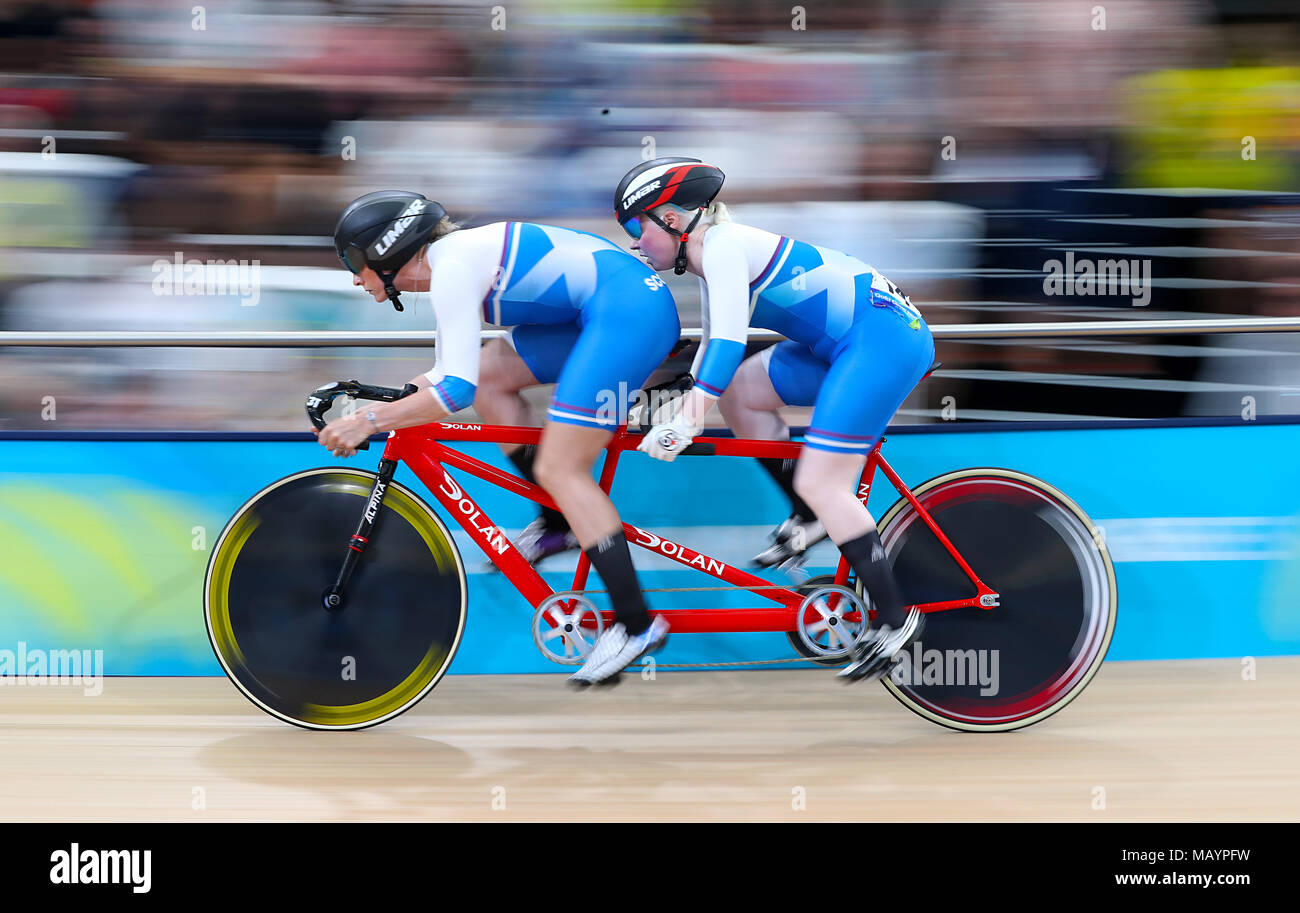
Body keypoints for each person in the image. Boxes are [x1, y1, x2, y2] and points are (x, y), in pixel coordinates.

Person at [317, 190, 678, 687]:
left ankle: (637, 624)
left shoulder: (452, 270)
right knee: (492, 377)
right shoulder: (452, 263)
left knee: (561, 467)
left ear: (388, 249)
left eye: (355, 261)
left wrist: (371, 423)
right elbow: (451, 375)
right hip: (608, 308)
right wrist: (370, 404)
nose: (355, 277)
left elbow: (451, 393)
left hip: (629, 316)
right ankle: (557, 524)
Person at [615, 158, 935, 682]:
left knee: (823, 480)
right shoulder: (709, 252)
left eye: (636, 227)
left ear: (673, 219)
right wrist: (678, 402)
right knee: (742, 392)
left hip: (882, 342)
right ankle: (807, 515)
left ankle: (895, 619)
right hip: (845, 343)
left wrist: (690, 416)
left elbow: (726, 343)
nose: (634, 242)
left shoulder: (721, 247)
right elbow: (712, 353)